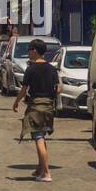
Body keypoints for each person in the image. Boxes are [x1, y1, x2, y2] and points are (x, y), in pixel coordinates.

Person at [13, 38, 58, 182]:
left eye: (29, 50)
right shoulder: (52, 68)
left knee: (38, 137)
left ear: (34, 51)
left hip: (36, 106)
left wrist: (16, 102)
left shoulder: (31, 69)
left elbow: (24, 89)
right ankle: (40, 169)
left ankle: (46, 173)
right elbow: (57, 88)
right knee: (41, 137)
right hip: (49, 106)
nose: (28, 53)